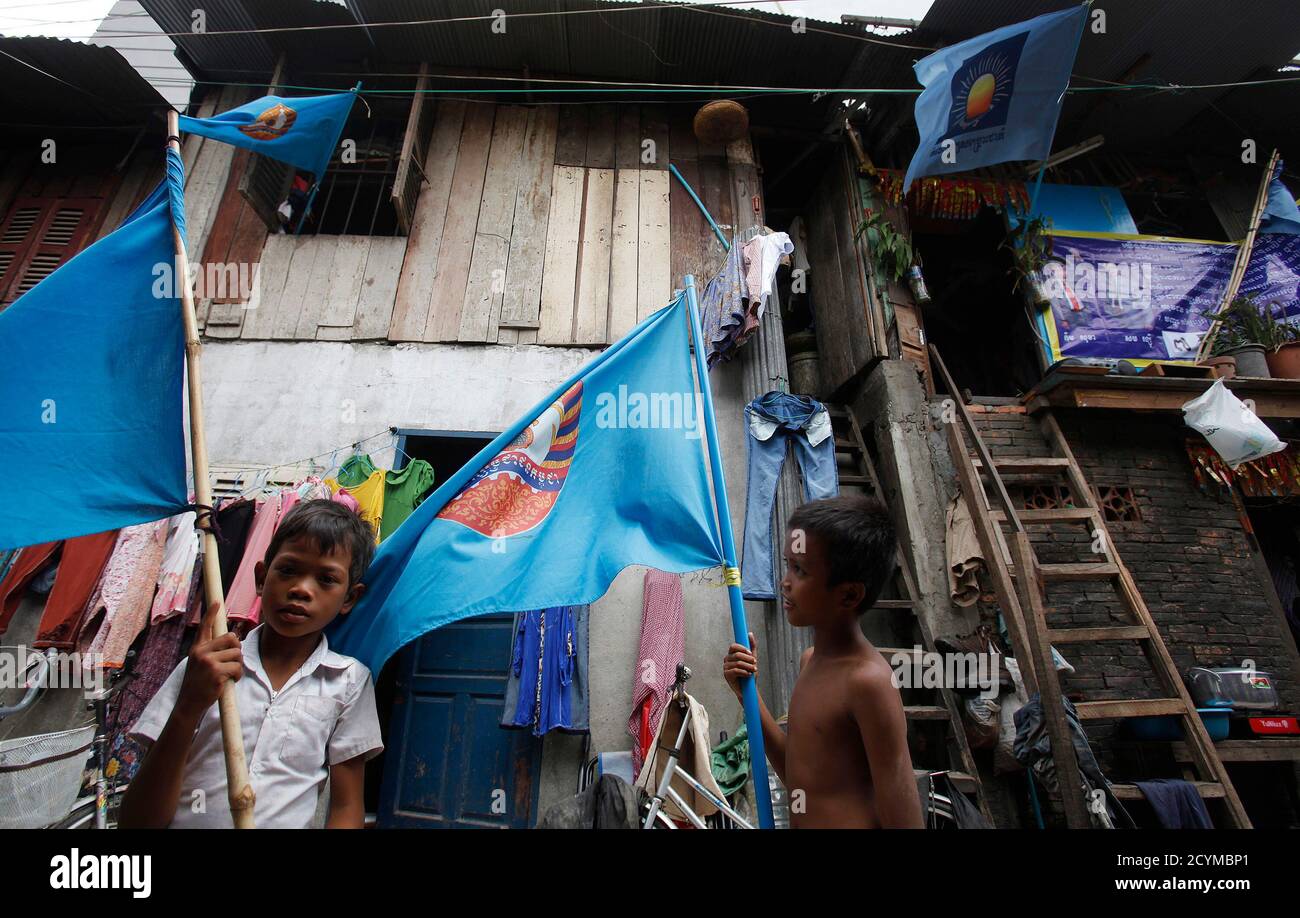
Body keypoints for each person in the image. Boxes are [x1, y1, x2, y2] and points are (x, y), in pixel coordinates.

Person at [119, 500, 383, 828]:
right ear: (261, 578)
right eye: (288, 570)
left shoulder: (349, 682)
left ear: (349, 598)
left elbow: (346, 808)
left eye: (326, 579)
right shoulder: (205, 668)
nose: (301, 589)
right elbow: (136, 821)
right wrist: (189, 704)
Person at [723, 494, 922, 828]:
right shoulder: (810, 662)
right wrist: (748, 693)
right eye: (787, 565)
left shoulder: (868, 683)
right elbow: (798, 774)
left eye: (800, 570)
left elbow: (903, 815)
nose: (785, 582)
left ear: (849, 595)